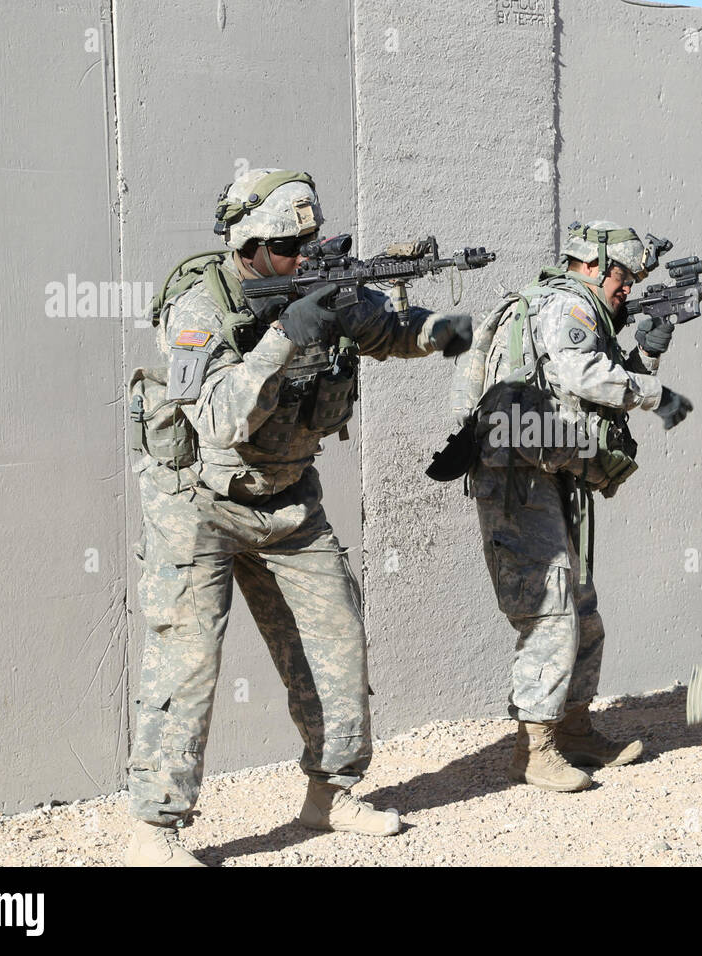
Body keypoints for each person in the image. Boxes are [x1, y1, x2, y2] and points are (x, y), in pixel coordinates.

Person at [124, 168, 472, 865]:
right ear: (249, 246)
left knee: (337, 642)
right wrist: (284, 334)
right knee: (188, 660)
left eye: (310, 243)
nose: (301, 259)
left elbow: (388, 329)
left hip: (288, 500)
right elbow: (220, 417)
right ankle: (154, 830)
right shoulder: (197, 306)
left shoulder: (322, 287)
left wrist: (437, 333)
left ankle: (330, 795)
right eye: (286, 248)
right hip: (199, 504)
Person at [463, 220, 692, 792]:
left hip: (550, 473)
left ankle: (574, 728)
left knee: (581, 611)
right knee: (550, 610)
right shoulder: (568, 305)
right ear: (594, 266)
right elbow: (583, 374)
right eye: (625, 276)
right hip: (519, 480)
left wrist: (644, 354)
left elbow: (581, 384)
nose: (630, 288)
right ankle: (534, 748)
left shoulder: (578, 309)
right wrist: (654, 393)